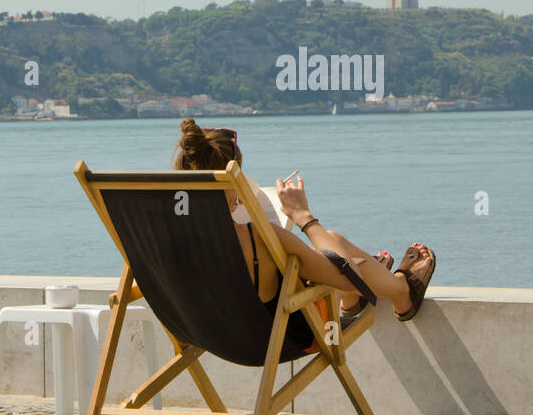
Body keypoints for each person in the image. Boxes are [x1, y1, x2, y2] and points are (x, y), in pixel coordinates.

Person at [173, 118, 435, 324]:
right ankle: (401, 291)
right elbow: (350, 276)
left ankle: (352, 300)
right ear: (235, 181)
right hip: (275, 337)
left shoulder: (165, 238)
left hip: (205, 335)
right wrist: (302, 216)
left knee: (333, 240)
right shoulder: (256, 236)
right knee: (337, 257)